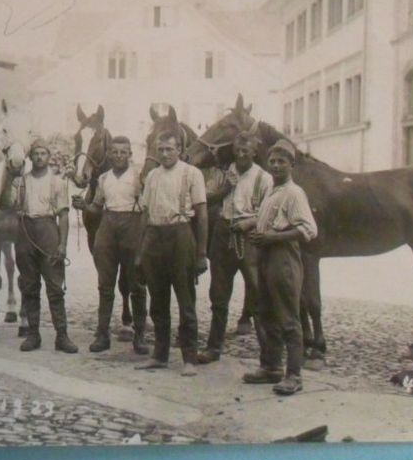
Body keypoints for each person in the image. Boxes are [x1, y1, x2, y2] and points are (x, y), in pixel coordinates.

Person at [241, 139, 318, 395]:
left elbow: (308, 229)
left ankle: (294, 375)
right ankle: (271, 367)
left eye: (281, 162)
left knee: (288, 317)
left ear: (291, 165)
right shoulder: (272, 191)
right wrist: (254, 228)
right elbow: (269, 221)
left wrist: (274, 237)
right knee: (267, 314)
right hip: (265, 255)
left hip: (283, 258)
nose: (276, 166)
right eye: (272, 161)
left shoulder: (294, 193)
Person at [134, 130, 208, 376]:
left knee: (186, 300)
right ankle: (160, 355)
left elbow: (202, 215)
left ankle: (189, 358)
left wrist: (201, 253)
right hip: (155, 236)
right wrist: (141, 251)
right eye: (161, 149)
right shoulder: (152, 176)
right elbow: (145, 214)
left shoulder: (191, 173)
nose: (164, 154)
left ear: (180, 150)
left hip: (181, 234)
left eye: (169, 149)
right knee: (157, 300)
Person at [198, 133, 273, 364]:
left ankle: (268, 356)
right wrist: (225, 188)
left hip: (250, 237)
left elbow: (270, 213)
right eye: (238, 150)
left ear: (254, 152)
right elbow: (205, 200)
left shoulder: (264, 178)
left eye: (245, 151)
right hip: (223, 232)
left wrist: (250, 222)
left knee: (258, 294)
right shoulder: (223, 173)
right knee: (218, 295)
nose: (241, 155)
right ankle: (214, 348)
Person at [70, 135, 149, 354]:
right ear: (109, 155)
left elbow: (146, 209)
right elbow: (96, 207)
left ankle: (140, 335)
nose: (119, 156)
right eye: (115, 152)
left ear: (130, 154)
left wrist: (143, 238)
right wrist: (83, 206)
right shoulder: (104, 179)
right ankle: (102, 335)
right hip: (108, 225)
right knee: (105, 284)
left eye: (123, 152)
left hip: (131, 224)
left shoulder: (139, 177)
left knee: (136, 285)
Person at [2, 137, 78, 353]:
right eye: (35, 154)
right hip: (25, 231)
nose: (39, 157)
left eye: (43, 153)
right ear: (30, 157)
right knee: (29, 285)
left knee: (55, 287)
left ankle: (62, 336)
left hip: (48, 230)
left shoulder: (57, 182)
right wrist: (9, 179)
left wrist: (62, 245)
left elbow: (63, 215)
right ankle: (33, 334)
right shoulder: (20, 181)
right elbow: (4, 204)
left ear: (49, 156)